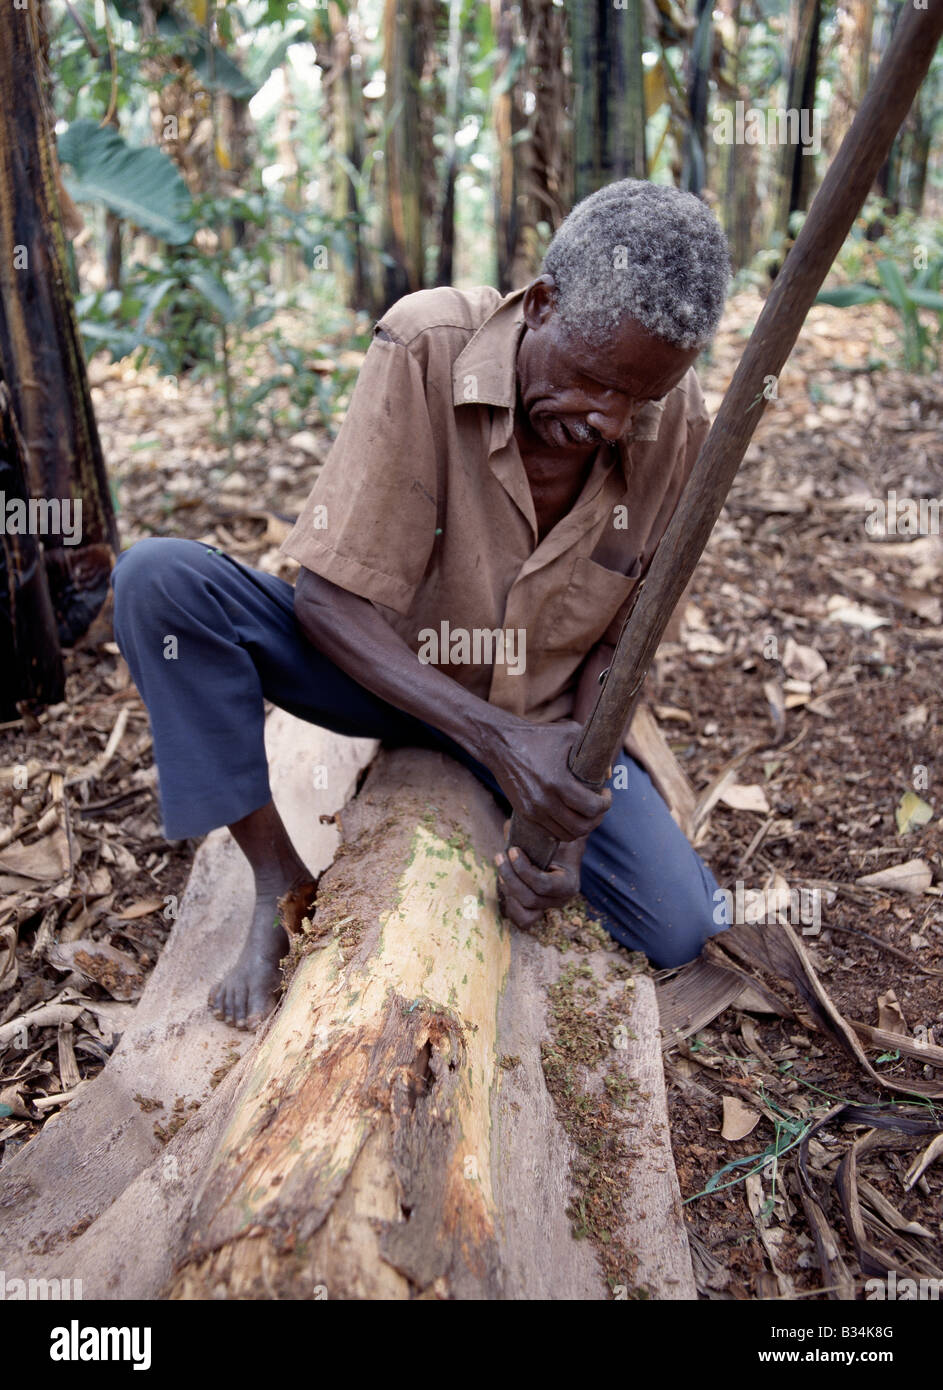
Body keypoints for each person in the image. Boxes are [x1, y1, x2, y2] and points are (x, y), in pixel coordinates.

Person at [112, 178, 732, 1031]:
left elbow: (617, 651)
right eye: (592, 382)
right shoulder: (427, 344)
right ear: (541, 303)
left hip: (543, 712)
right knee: (160, 581)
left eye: (639, 399)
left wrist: (572, 816)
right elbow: (327, 602)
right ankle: (274, 879)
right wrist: (494, 740)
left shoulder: (681, 425)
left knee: (682, 924)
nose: (609, 422)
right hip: (379, 674)